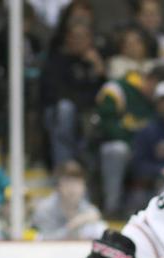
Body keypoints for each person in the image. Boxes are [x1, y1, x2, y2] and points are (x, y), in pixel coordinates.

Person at [94, 66, 160, 216]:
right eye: (155, 85)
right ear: (150, 80)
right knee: (116, 149)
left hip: (147, 157)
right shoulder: (118, 89)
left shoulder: (159, 103)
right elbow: (108, 128)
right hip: (124, 150)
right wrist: (136, 144)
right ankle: (112, 207)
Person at [41, 19, 106, 169]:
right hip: (63, 111)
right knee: (65, 109)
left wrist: (100, 69)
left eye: (83, 37)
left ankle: (86, 175)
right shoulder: (57, 60)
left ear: (90, 40)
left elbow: (105, 92)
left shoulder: (94, 61)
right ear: (67, 39)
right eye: (75, 37)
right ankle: (64, 167)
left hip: (89, 111)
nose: (79, 41)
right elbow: (56, 92)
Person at [30, 160, 106, 240]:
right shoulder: (45, 209)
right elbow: (43, 240)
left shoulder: (84, 206)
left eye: (77, 183)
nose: (72, 188)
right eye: (67, 182)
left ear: (84, 187)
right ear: (58, 186)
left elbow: (95, 216)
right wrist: (73, 225)